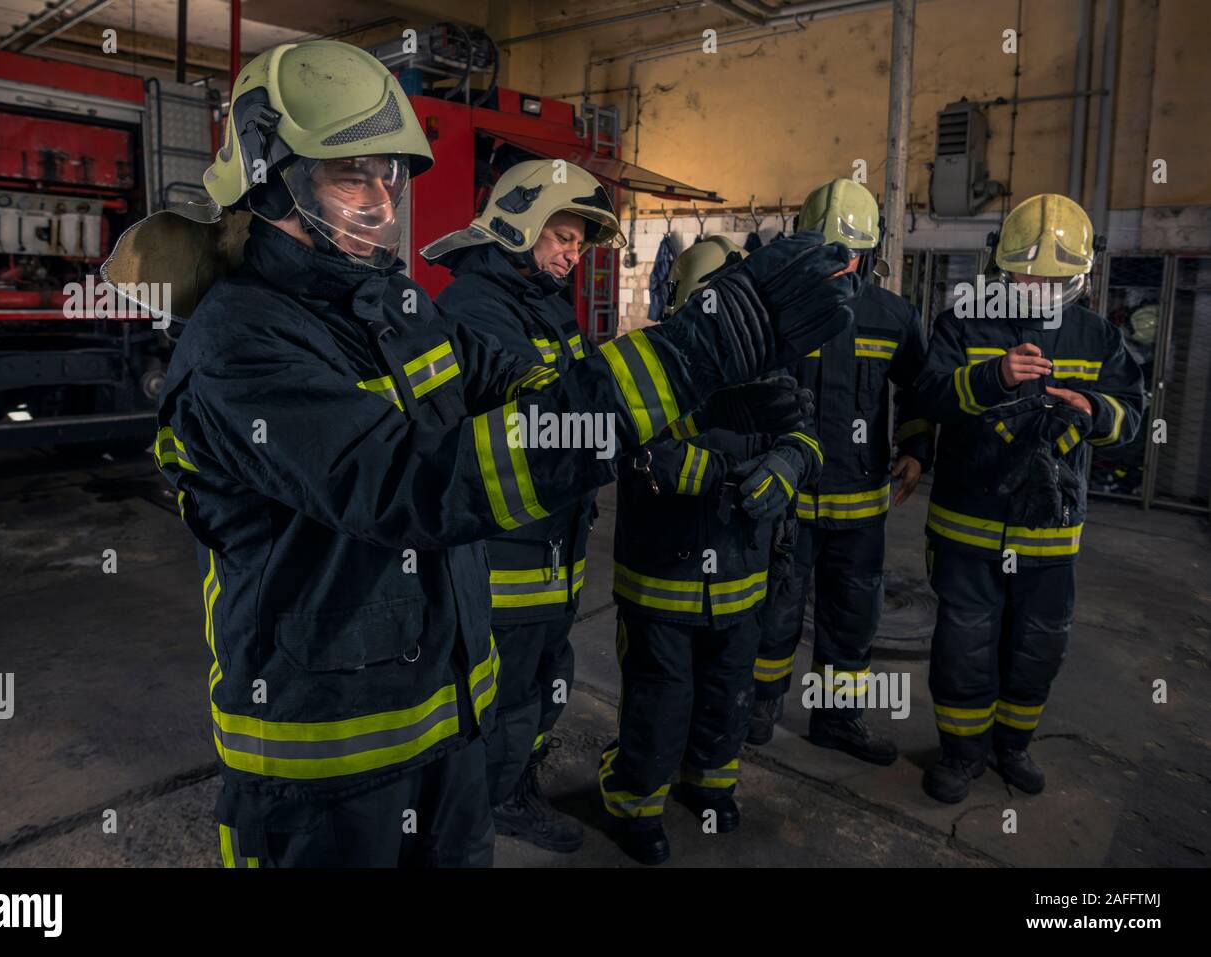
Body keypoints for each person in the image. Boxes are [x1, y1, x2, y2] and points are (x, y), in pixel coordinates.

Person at [147, 39, 860, 866]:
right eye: (352, 176)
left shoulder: (396, 302)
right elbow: (418, 482)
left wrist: (700, 382)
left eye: (390, 176)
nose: (381, 200)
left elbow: (526, 389)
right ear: (269, 179)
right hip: (327, 765)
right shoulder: (241, 342)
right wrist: (690, 355)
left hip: (449, 724)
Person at [598, 236, 823, 865]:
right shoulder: (644, 358)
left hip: (741, 581)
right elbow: (616, 438)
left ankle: (711, 788)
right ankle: (635, 806)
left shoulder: (766, 366)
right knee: (658, 701)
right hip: (659, 581)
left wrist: (786, 462)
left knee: (728, 696)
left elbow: (810, 438)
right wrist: (683, 465)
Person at [914, 193, 1145, 803]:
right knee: (964, 642)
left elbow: (1134, 423)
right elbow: (929, 398)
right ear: (999, 266)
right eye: (1025, 273)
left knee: (1038, 642)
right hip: (967, 525)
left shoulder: (1100, 337)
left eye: (1055, 277)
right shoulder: (961, 322)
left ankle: (1012, 746)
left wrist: (1095, 411)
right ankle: (961, 754)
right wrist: (990, 377)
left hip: (1051, 534)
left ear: (1082, 275)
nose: (1039, 285)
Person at [423, 159, 622, 853]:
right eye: (564, 236)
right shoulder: (479, 307)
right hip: (507, 555)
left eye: (579, 242)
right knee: (506, 696)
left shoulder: (541, 302)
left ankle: (512, 783)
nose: (574, 253)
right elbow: (542, 420)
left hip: (552, 548)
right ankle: (495, 802)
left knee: (545, 682)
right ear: (518, 224)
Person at [748, 178, 933, 763]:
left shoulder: (893, 316)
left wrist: (915, 448)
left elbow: (922, 389)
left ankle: (837, 719)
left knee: (851, 621)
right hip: (787, 506)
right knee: (774, 612)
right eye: (827, 250)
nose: (840, 263)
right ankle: (760, 704)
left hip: (860, 510)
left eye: (850, 252)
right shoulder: (772, 310)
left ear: (869, 253)